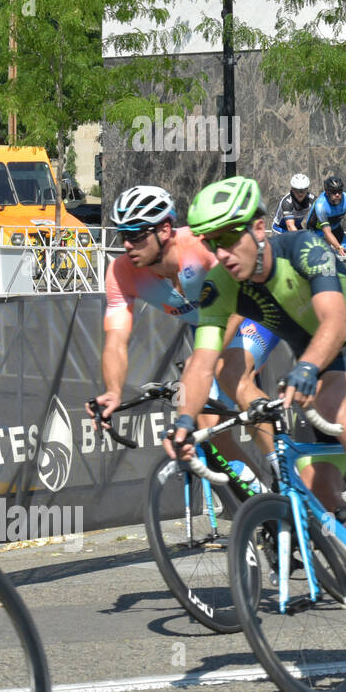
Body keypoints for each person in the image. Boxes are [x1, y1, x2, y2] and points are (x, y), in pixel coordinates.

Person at [164, 177, 346, 558]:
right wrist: (184, 422)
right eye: (212, 243)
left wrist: (305, 368)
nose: (221, 253)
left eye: (228, 238)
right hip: (322, 372)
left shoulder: (304, 247)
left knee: (330, 401)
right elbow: (202, 361)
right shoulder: (221, 285)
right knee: (315, 485)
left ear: (258, 229)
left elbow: (335, 322)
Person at [90, 185, 281, 476]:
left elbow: (238, 297)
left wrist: (207, 355)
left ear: (165, 230)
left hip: (250, 312)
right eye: (123, 235)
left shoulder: (200, 245)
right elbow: (116, 341)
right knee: (206, 419)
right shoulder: (121, 273)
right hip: (207, 328)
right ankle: (262, 499)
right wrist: (113, 391)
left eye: (136, 235)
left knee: (230, 375)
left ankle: (284, 474)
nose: (127, 244)